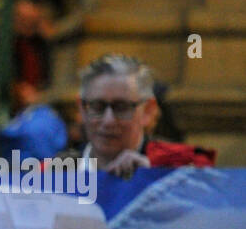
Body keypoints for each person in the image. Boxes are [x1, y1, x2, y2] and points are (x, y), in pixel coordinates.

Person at [63, 54, 215, 178]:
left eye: (122, 108)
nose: (108, 121)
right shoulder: (52, 172)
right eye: (97, 107)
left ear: (148, 110)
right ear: (81, 108)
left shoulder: (183, 166)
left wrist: (151, 177)